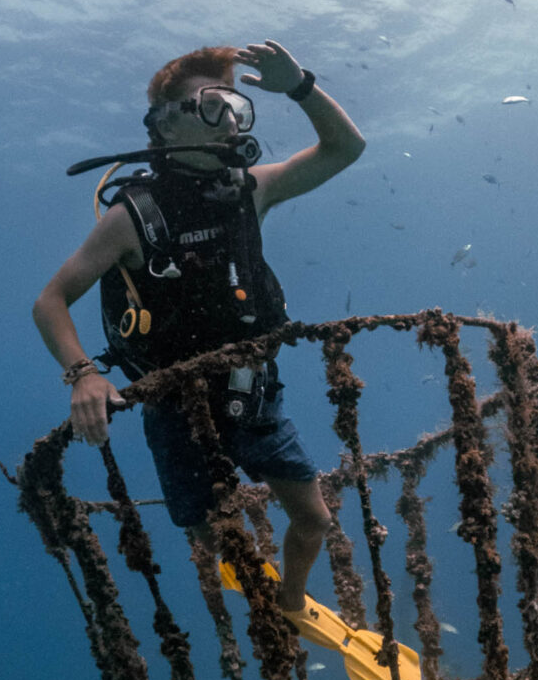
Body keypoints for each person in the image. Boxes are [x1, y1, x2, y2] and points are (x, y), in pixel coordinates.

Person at [32, 39, 365, 617]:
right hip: (175, 405)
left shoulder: (250, 189)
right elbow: (51, 300)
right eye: (214, 107)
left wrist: (300, 87)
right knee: (213, 537)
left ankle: (289, 605)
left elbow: (345, 148)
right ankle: (262, 595)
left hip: (251, 391)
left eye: (237, 109)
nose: (230, 123)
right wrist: (82, 374)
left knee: (313, 520)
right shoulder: (132, 216)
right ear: (164, 126)